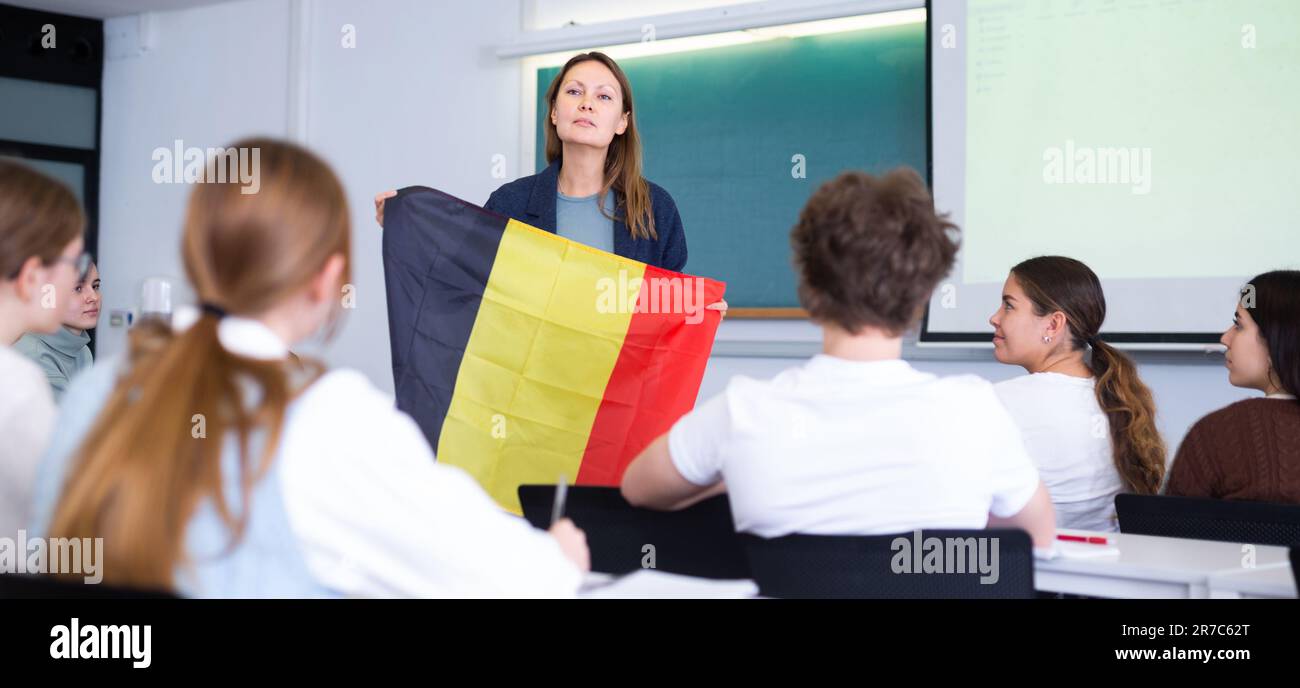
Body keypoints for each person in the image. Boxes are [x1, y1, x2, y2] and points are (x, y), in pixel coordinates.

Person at [31, 138, 589, 597]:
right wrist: (559, 555)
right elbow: (505, 579)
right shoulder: (327, 420)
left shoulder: (96, 390)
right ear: (327, 278)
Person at [620, 168, 1055, 548]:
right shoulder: (975, 411)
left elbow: (637, 489)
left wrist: (731, 475)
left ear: (810, 290)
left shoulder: (743, 413)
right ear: (922, 296)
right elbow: (1037, 537)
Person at [989, 256, 1166, 531]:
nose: (995, 318)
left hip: (1023, 568)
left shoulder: (998, 401)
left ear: (1053, 325)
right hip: (1104, 569)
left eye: (1008, 306)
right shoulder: (1118, 397)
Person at [0, 158, 87, 538]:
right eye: (75, 263)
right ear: (33, 276)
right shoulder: (16, 385)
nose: (79, 282)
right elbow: (70, 508)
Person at [1166, 270, 1300, 502]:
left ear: (1277, 338)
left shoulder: (1215, 434)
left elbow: (1168, 532)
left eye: (1238, 325)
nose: (1225, 338)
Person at [16, 260, 100, 400]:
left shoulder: (82, 351)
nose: (94, 297)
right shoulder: (35, 357)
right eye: (78, 288)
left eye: (95, 286)